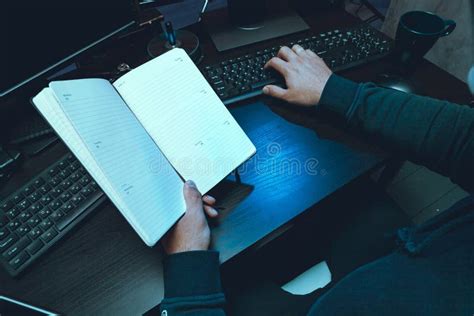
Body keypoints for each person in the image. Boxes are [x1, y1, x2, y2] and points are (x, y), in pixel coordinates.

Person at [159, 44, 474, 315]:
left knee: (230, 272)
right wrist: (336, 92)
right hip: (412, 261)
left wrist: (187, 267)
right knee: (358, 196)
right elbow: (464, 140)